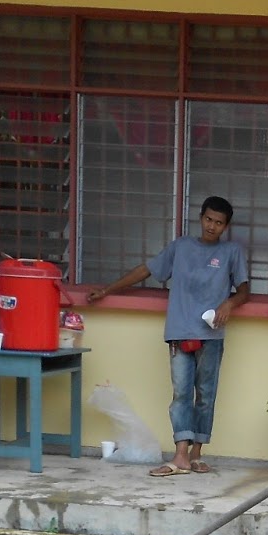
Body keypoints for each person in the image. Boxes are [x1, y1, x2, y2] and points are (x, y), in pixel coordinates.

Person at [86, 196, 249, 476]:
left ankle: (197, 454)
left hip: (211, 335)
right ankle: (181, 455)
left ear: (226, 226)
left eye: (219, 223)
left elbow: (244, 291)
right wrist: (107, 290)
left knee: (206, 395)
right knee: (181, 394)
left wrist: (228, 304)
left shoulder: (231, 252)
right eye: (208, 219)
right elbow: (146, 270)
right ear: (201, 218)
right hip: (179, 331)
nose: (212, 226)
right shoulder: (181, 247)